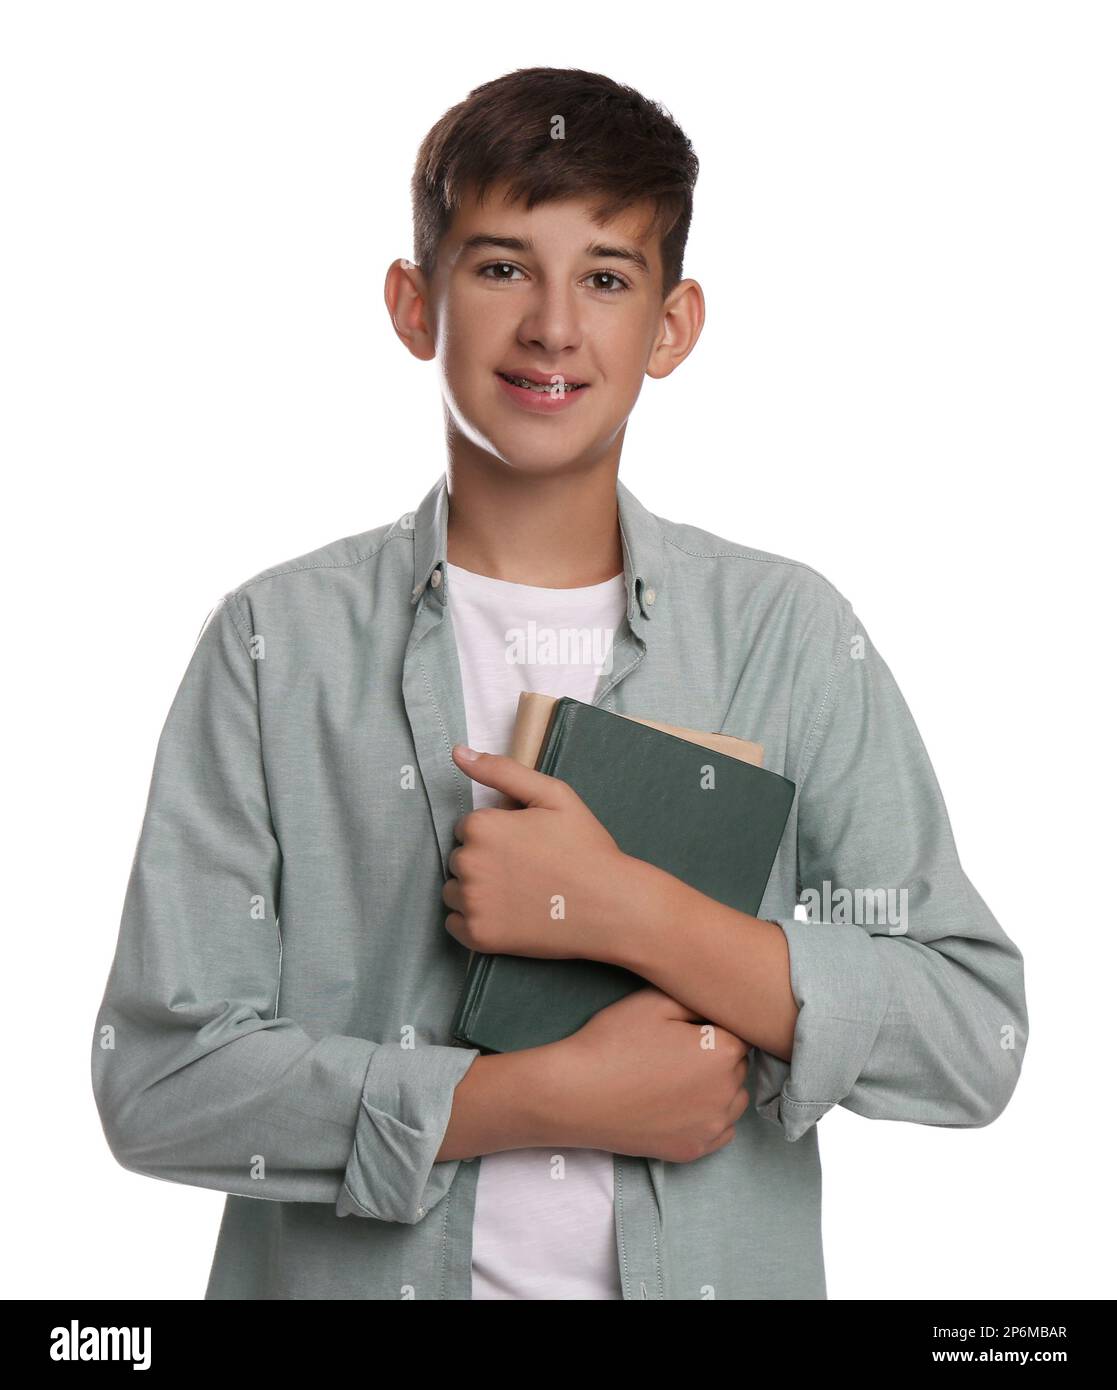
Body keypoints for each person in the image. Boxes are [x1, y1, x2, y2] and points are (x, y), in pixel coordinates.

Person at [92, 66, 1028, 1301]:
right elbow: (158, 1080)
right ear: (414, 303)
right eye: (499, 268)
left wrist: (627, 912)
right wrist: (525, 1098)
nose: (550, 326)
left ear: (672, 325)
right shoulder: (274, 643)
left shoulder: (787, 634)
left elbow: (969, 1030)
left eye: (604, 277)